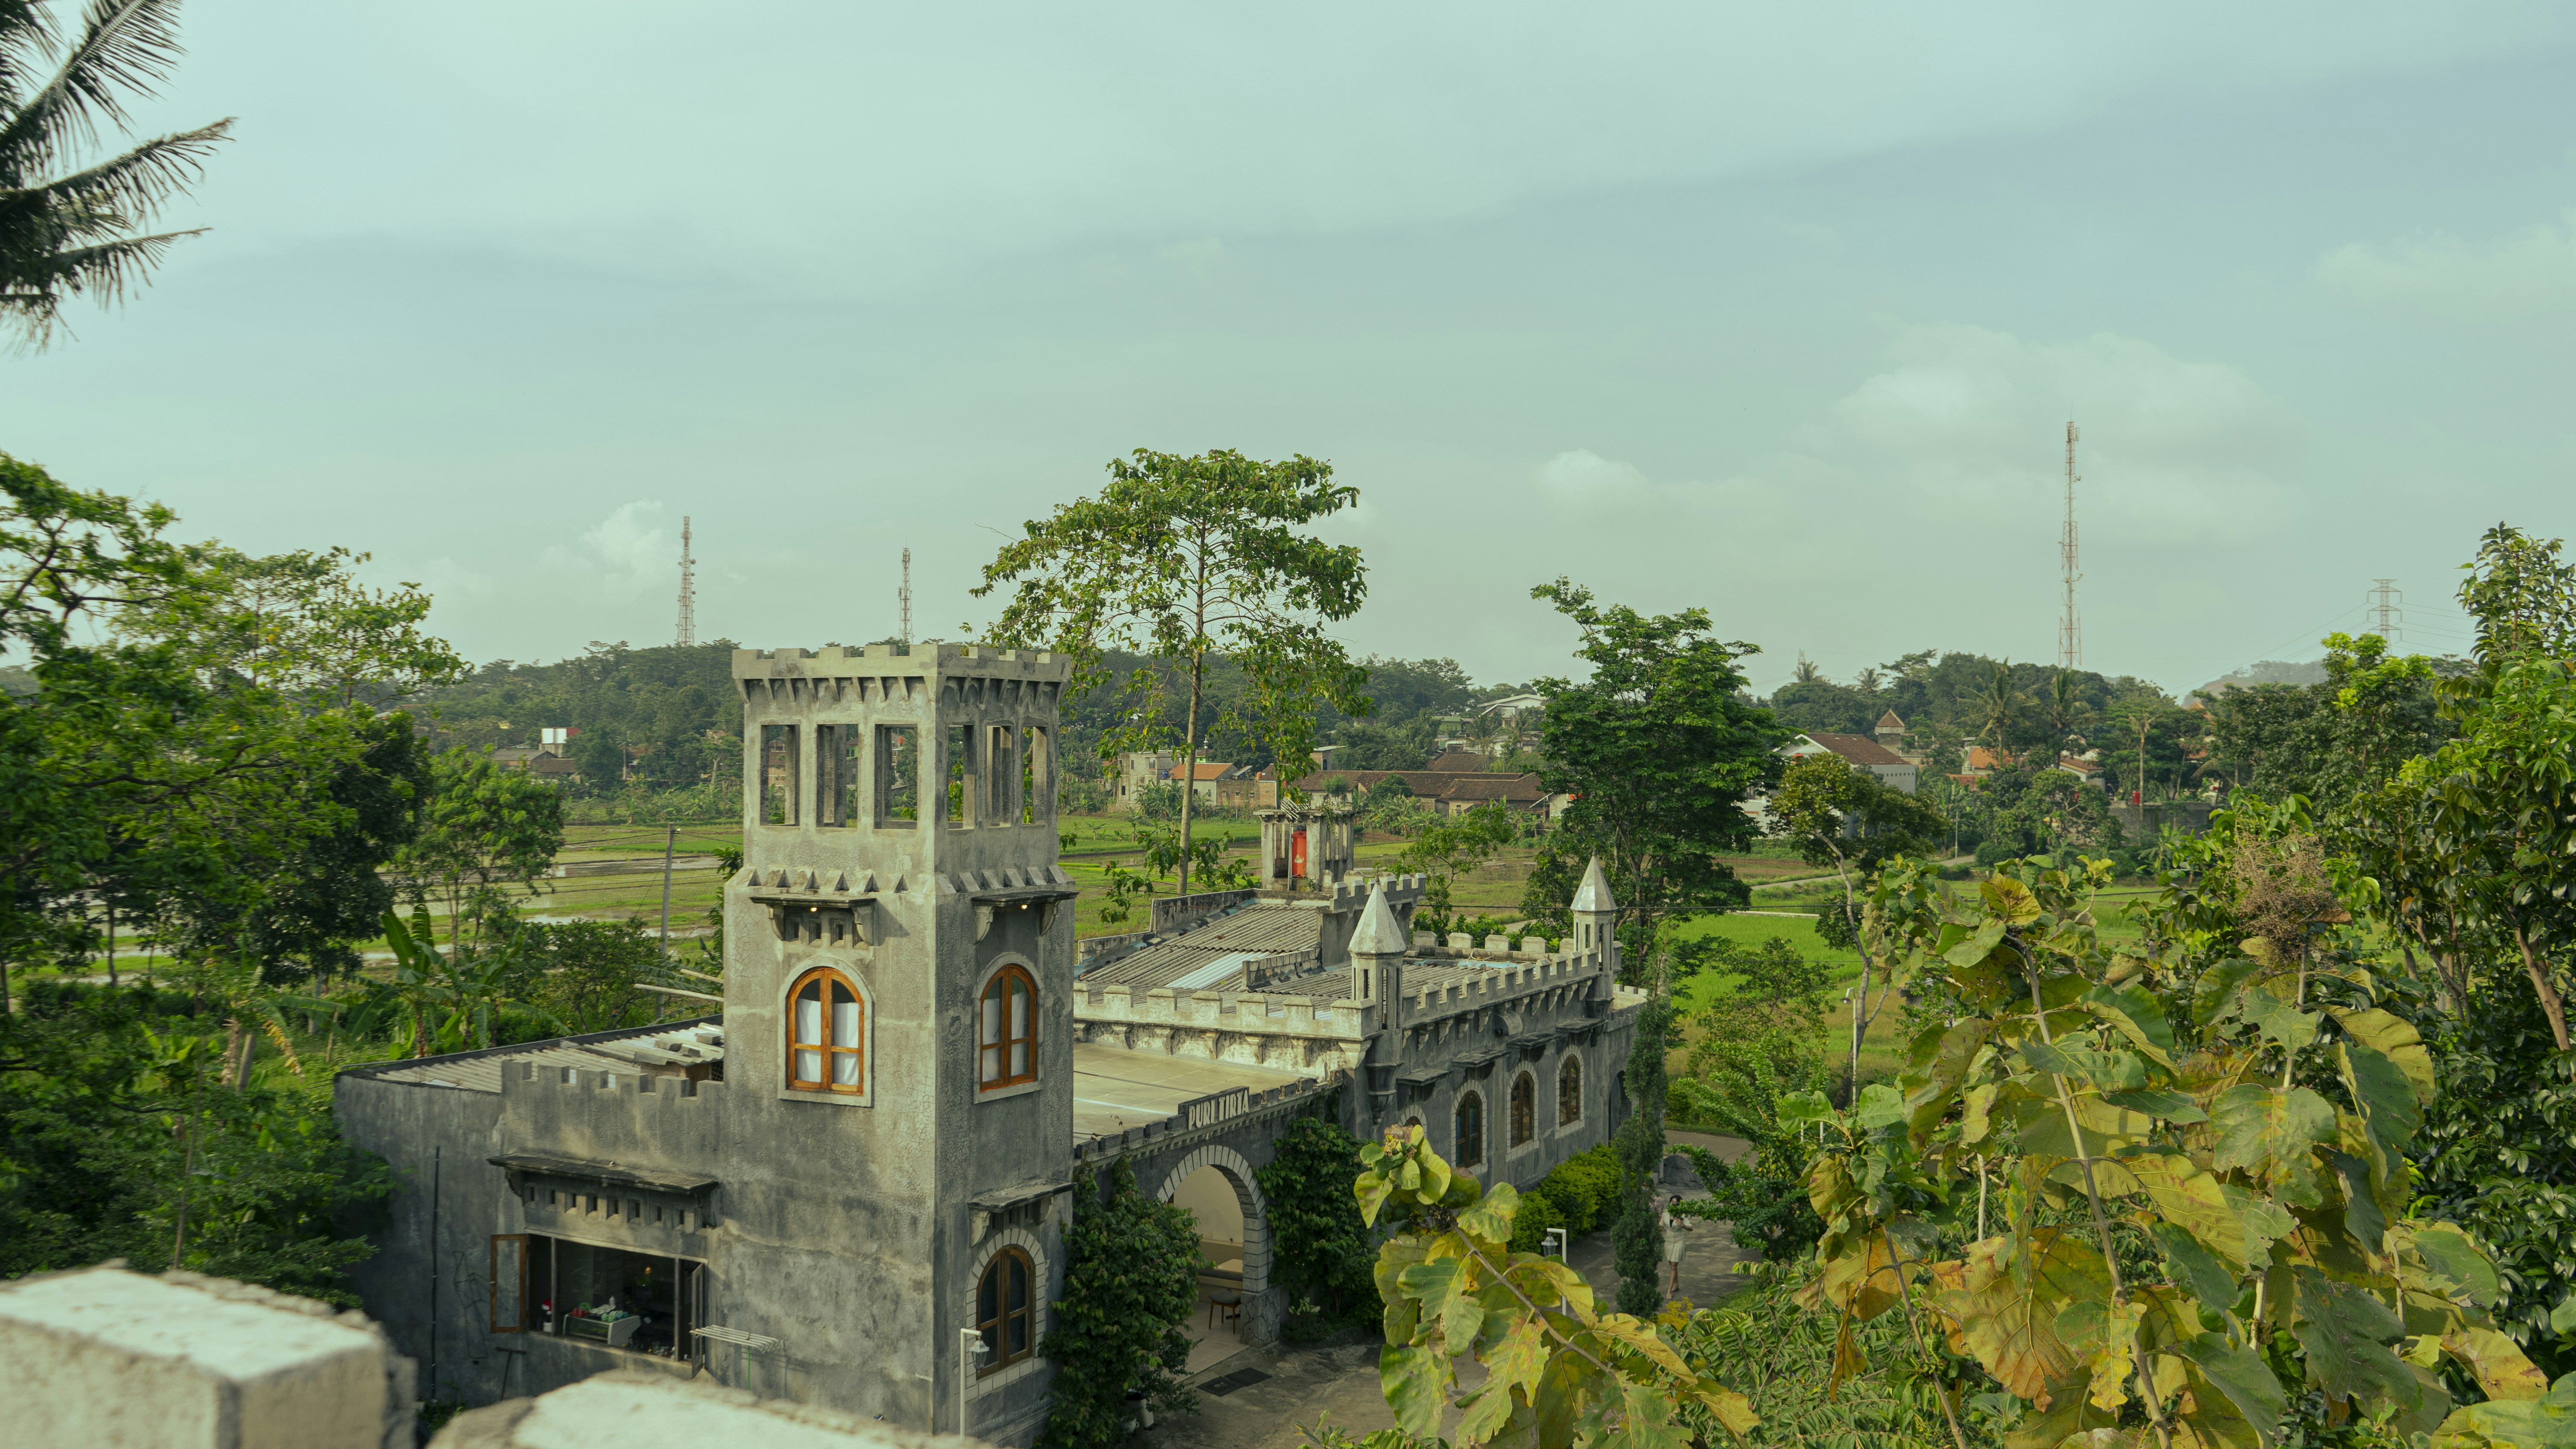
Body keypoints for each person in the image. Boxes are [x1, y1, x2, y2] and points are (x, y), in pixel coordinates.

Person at [1659, 1194, 1692, 1298]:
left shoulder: (1682, 1215)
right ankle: (1676, 1284)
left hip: (1679, 1241)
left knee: (1673, 1266)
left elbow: (1691, 1228)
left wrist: (1682, 1225)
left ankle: (1669, 1291)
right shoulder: (1665, 1214)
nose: (1673, 1204)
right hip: (1668, 1241)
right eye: (1672, 1202)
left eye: (1676, 1203)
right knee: (1672, 1264)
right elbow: (1661, 1227)